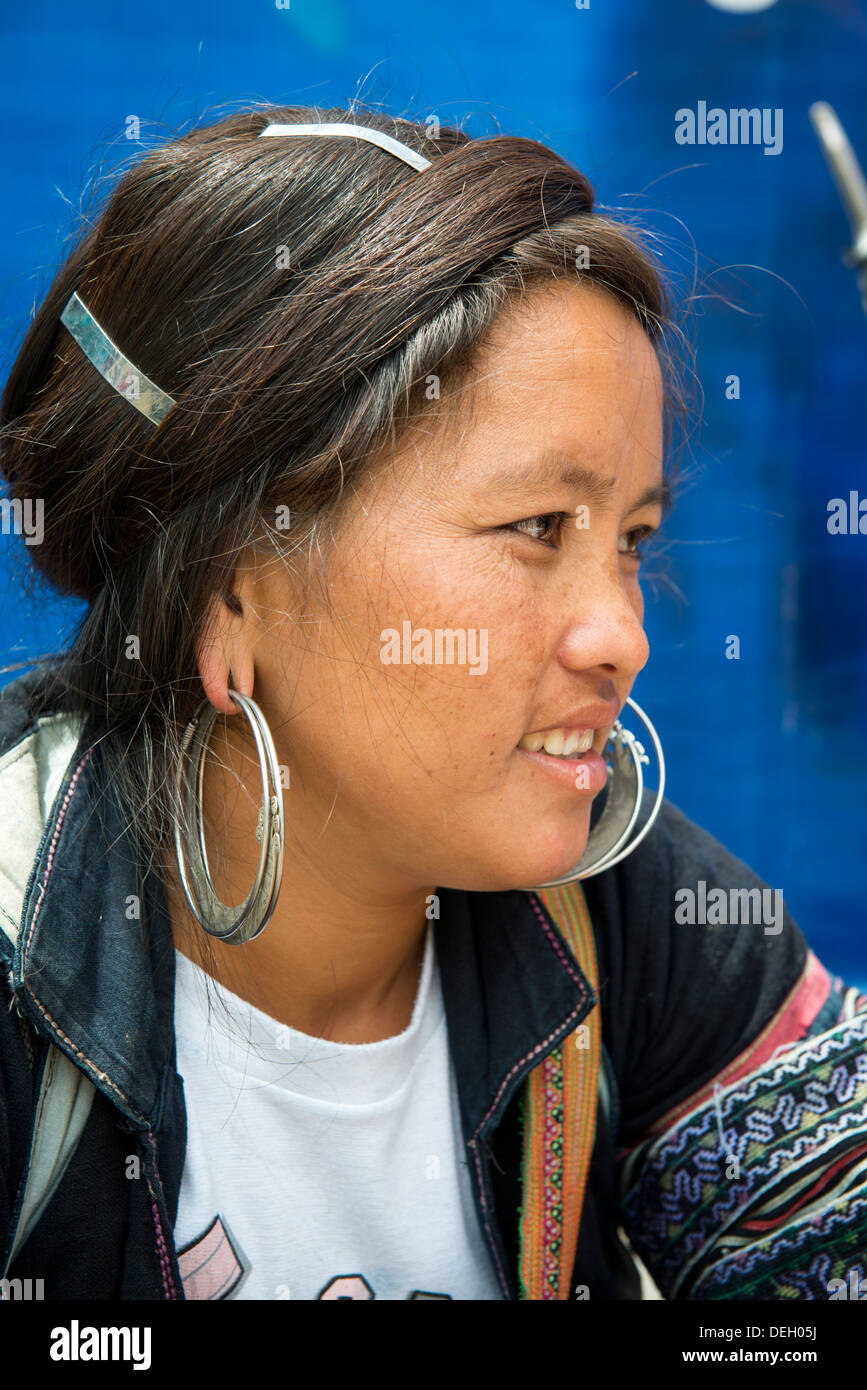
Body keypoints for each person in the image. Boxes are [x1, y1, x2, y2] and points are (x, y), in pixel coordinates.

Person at [0, 105, 864, 1303]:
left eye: (634, 538)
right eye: (534, 529)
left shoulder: (630, 919)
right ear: (230, 588)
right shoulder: (20, 946)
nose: (625, 636)